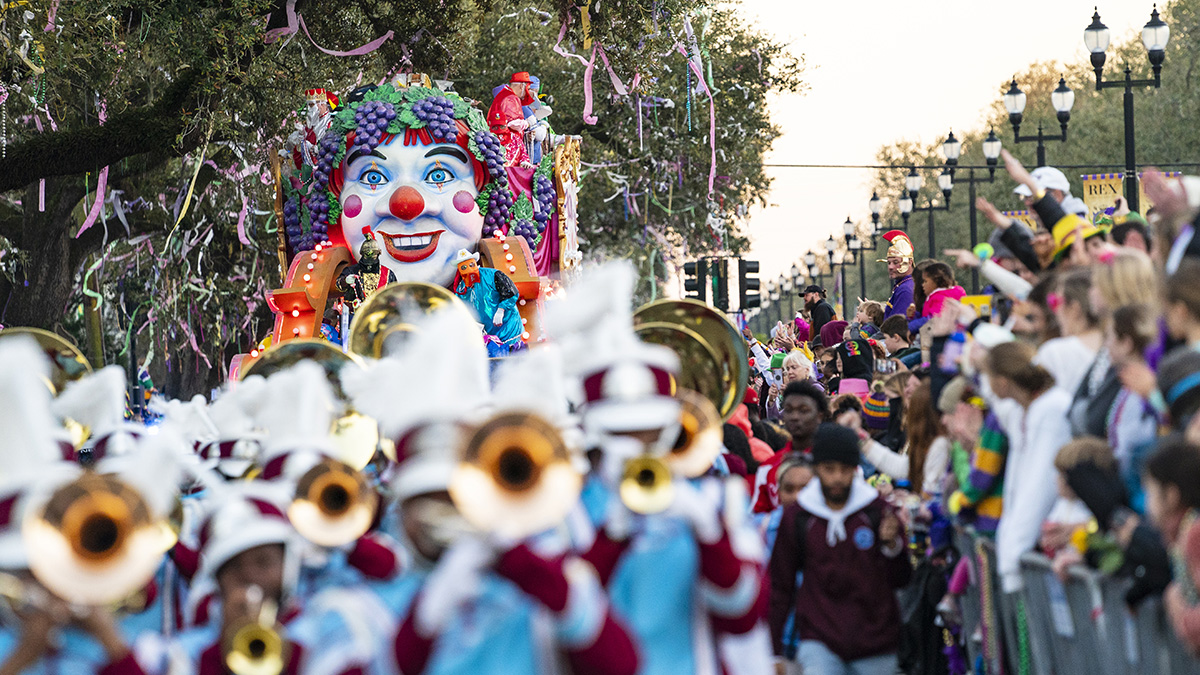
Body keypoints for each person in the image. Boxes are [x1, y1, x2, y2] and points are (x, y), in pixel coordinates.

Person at [768, 423, 911, 675]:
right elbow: (780, 586)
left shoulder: (877, 512)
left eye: (844, 470)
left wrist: (892, 546)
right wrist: (773, 650)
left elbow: (901, 578)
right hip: (819, 639)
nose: (836, 478)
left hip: (876, 641)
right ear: (816, 469)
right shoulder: (799, 517)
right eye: (828, 469)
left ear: (854, 469)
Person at [981, 341, 1072, 595]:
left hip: (1042, 547)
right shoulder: (1026, 410)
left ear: (1002, 382)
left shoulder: (1050, 410)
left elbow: (1039, 486)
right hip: (1029, 548)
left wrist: (1012, 556)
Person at [1144, 438, 1200, 654]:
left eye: (1150, 491)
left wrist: (1179, 610)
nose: (1147, 503)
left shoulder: (1194, 533)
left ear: (1171, 495)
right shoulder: (1181, 534)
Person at [752, 381, 829, 514]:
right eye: (788, 410)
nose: (795, 417)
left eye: (803, 410)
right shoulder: (768, 468)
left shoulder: (834, 464)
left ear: (819, 416)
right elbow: (758, 517)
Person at [486, 72, 536, 167]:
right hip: (506, 145)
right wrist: (528, 123)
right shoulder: (511, 98)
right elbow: (513, 124)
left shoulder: (504, 95)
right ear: (522, 86)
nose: (527, 93)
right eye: (528, 88)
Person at [879, 230, 916, 320]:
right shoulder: (903, 285)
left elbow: (897, 324)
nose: (890, 267)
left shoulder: (905, 289)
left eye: (896, 262)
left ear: (910, 262)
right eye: (889, 263)